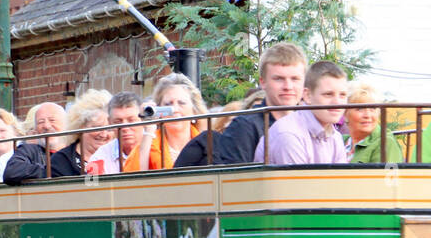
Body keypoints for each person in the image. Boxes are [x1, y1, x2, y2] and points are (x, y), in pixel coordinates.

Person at [175, 42, 306, 167]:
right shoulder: (244, 128)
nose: (288, 86)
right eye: (278, 79)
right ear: (263, 82)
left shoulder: (310, 123)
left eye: (295, 79)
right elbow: (237, 181)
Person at [253, 60, 349, 165]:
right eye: (328, 94)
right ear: (307, 96)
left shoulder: (335, 137)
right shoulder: (289, 135)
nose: (337, 102)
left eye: (342, 95)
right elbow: (297, 177)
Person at [123, 73, 208, 172]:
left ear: (194, 110)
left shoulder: (206, 144)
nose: (175, 109)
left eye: (182, 103)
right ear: (158, 109)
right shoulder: (149, 144)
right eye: (168, 104)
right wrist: (149, 130)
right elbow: (136, 177)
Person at [50, 91, 115, 177]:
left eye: (109, 129)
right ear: (81, 126)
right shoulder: (61, 160)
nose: (104, 134)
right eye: (97, 128)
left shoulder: (120, 156)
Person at [3, 102, 67, 184]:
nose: (46, 126)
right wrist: (50, 171)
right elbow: (12, 171)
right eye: (41, 122)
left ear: (66, 124)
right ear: (36, 129)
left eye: (52, 120)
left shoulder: (76, 149)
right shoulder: (28, 150)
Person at [85, 92, 145, 174]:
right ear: (110, 122)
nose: (125, 128)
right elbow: (91, 181)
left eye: (131, 120)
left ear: (143, 119)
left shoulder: (158, 146)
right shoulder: (99, 156)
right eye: (118, 122)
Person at [344, 82, 403, 164]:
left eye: (373, 108)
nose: (368, 115)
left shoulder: (385, 143)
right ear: (345, 113)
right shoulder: (340, 141)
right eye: (360, 108)